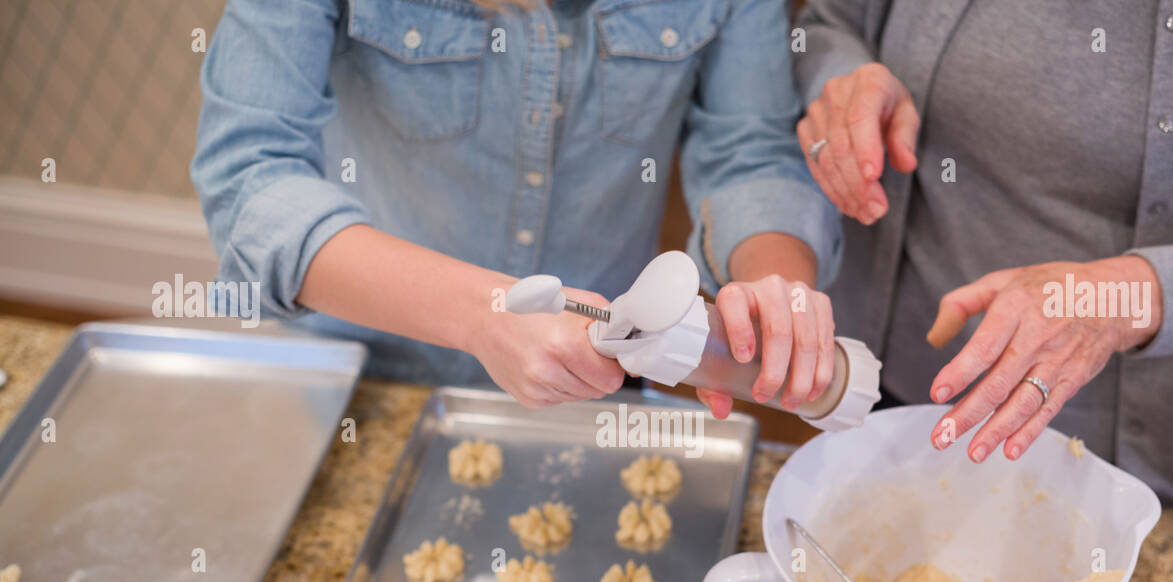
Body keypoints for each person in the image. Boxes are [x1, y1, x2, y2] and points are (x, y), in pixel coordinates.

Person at [190, 0, 842, 416]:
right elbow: (249, 177)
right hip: (358, 374)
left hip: (592, 376)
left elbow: (747, 150)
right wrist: (485, 315)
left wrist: (769, 283)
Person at [795, 0, 1173, 517]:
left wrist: (1117, 301)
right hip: (896, 384)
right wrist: (843, 82)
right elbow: (824, 28)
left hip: (1137, 461)